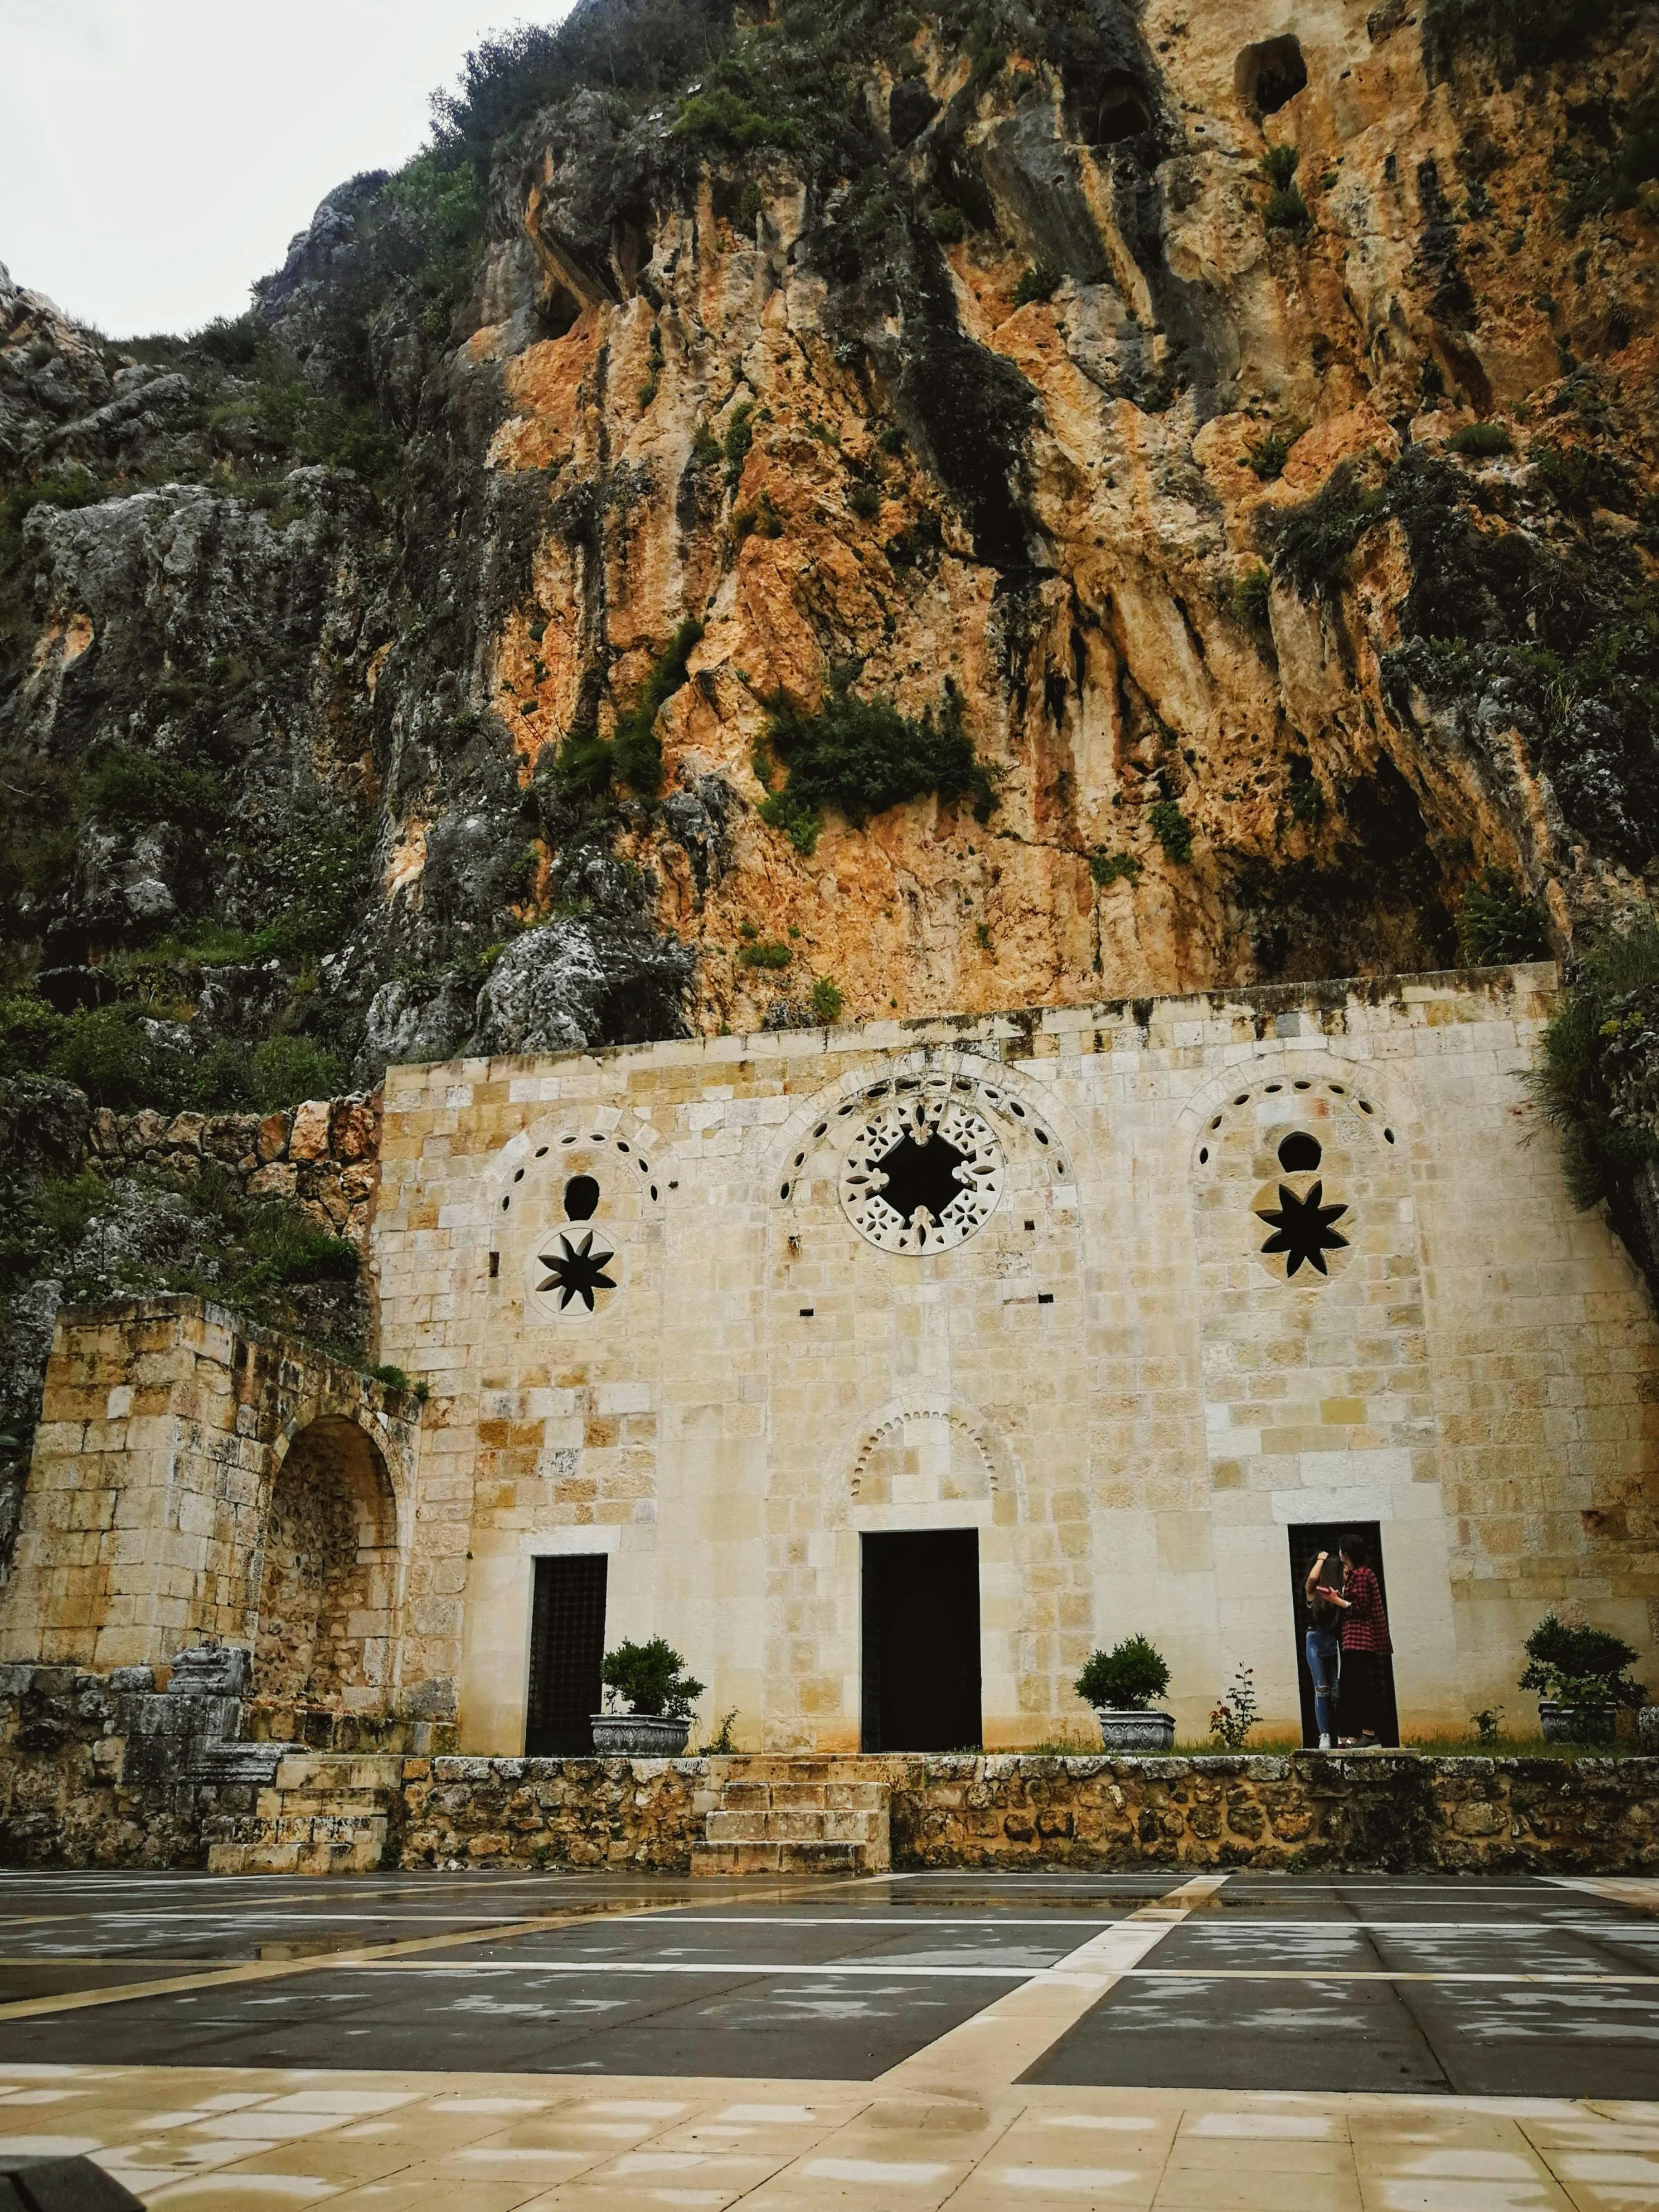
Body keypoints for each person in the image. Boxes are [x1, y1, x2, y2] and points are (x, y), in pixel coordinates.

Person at [1318, 1532, 1392, 1746]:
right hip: (1355, 1640)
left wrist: (1336, 1600)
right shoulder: (1360, 1574)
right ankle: (1361, 1732)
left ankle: (1369, 1733)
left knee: (1358, 1687)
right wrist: (1339, 1597)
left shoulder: (1360, 1575)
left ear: (1346, 1553)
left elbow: (1360, 1607)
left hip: (1359, 1640)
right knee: (1353, 1687)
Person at [1302, 1549, 1343, 1750]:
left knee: (1337, 1690)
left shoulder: (1337, 1595)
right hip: (1316, 1639)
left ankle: (1341, 1734)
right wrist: (1322, 1558)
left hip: (1332, 1640)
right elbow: (1312, 1578)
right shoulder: (1314, 1593)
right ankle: (1325, 1734)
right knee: (1322, 1690)